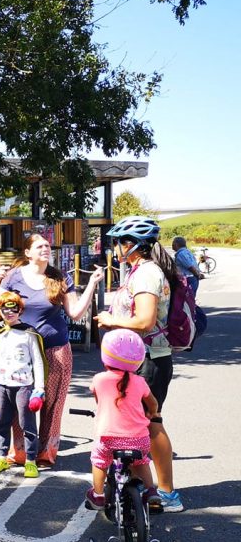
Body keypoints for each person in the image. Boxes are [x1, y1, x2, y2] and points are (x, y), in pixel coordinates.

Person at [0, 233, 102, 467]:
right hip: (20, 350)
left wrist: (92, 284)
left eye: (47, 245)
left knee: (52, 403)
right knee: (21, 402)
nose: (45, 248)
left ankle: (45, 453)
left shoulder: (59, 277)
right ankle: (20, 452)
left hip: (55, 348)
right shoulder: (13, 277)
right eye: (39, 246)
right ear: (28, 252)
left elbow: (75, 313)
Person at [95, 215, 183, 512]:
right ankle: (142, 489)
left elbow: (144, 321)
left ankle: (167, 494)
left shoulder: (146, 274)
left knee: (150, 424)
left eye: (118, 243)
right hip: (139, 359)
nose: (115, 249)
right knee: (140, 426)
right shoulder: (138, 271)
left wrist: (111, 320)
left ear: (131, 245)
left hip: (149, 360)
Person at [84, 329, 158, 510]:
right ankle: (151, 491)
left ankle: (98, 494)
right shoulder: (140, 381)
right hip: (139, 438)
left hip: (109, 438)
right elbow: (153, 403)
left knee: (99, 460)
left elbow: (99, 399)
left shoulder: (99, 379)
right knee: (141, 461)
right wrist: (152, 414)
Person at [0, 292, 47, 479]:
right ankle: (2, 455)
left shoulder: (29, 333)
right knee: (1, 421)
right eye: (5, 309)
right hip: (1, 384)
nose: (9, 313)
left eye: (14, 309)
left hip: (24, 385)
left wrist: (40, 388)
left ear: (20, 310)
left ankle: (30, 460)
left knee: (26, 423)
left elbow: (38, 361)